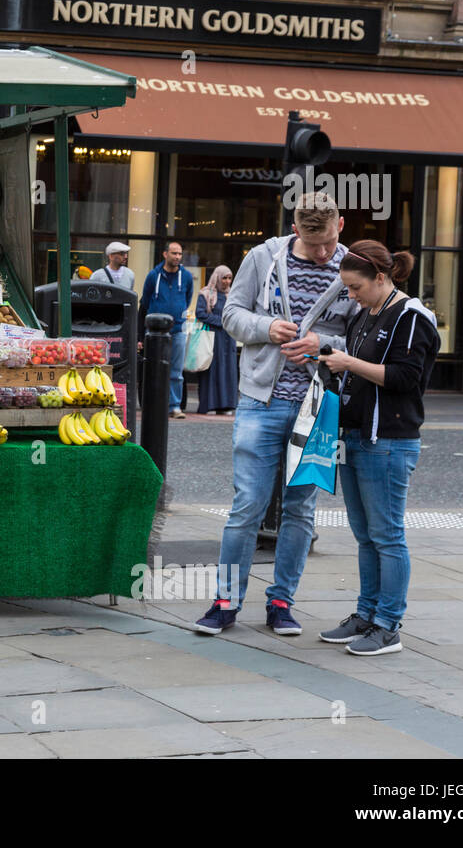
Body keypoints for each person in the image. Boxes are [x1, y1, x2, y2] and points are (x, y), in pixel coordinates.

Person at [194, 192, 357, 637]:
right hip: (259, 402)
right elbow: (231, 315)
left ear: (339, 224)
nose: (323, 253)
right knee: (246, 505)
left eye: (327, 242)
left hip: (318, 407)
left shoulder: (352, 267)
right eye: (312, 244)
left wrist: (325, 345)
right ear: (295, 228)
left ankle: (282, 602)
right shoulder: (262, 257)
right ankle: (225, 602)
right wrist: (266, 328)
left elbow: (363, 339)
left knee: (301, 509)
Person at [318, 240, 438, 656]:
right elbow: (358, 370)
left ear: (381, 278)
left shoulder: (411, 316)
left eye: (355, 287)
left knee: (387, 536)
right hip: (355, 436)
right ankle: (366, 615)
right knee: (365, 536)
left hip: (389, 440)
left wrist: (349, 363)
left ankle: (388, 625)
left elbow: (406, 378)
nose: (351, 296)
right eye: (347, 288)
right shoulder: (367, 313)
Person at [139, 240, 194, 419]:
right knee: (153, 368)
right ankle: (153, 404)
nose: (177, 257)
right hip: (154, 331)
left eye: (179, 254)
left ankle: (175, 406)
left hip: (177, 329)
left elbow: (187, 297)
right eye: (174, 253)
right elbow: (145, 303)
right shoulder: (153, 276)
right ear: (165, 254)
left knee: (176, 372)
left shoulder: (185, 277)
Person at [194, 265, 237, 415]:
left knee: (227, 371)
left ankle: (226, 406)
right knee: (211, 371)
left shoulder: (233, 295)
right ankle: (209, 405)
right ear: (217, 277)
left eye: (229, 278)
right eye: (224, 277)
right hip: (211, 338)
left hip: (228, 339)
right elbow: (200, 313)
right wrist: (221, 322)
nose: (226, 281)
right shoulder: (206, 294)